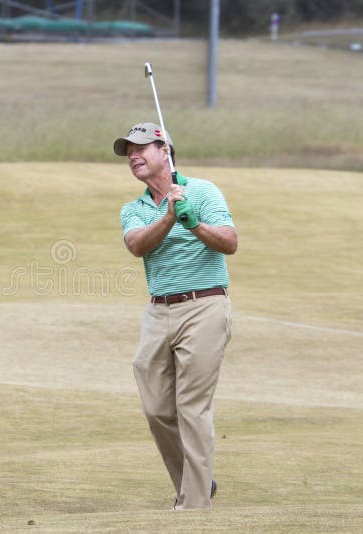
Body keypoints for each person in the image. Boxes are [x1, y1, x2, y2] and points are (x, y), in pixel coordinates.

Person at [115, 122, 237, 510]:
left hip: (204, 306)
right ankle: (196, 481)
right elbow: (137, 245)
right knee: (156, 408)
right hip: (158, 310)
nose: (133, 156)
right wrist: (169, 216)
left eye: (140, 148)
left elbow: (230, 241)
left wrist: (193, 222)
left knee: (191, 406)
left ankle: (194, 506)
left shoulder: (202, 191)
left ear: (164, 150)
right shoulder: (133, 209)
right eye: (128, 151)